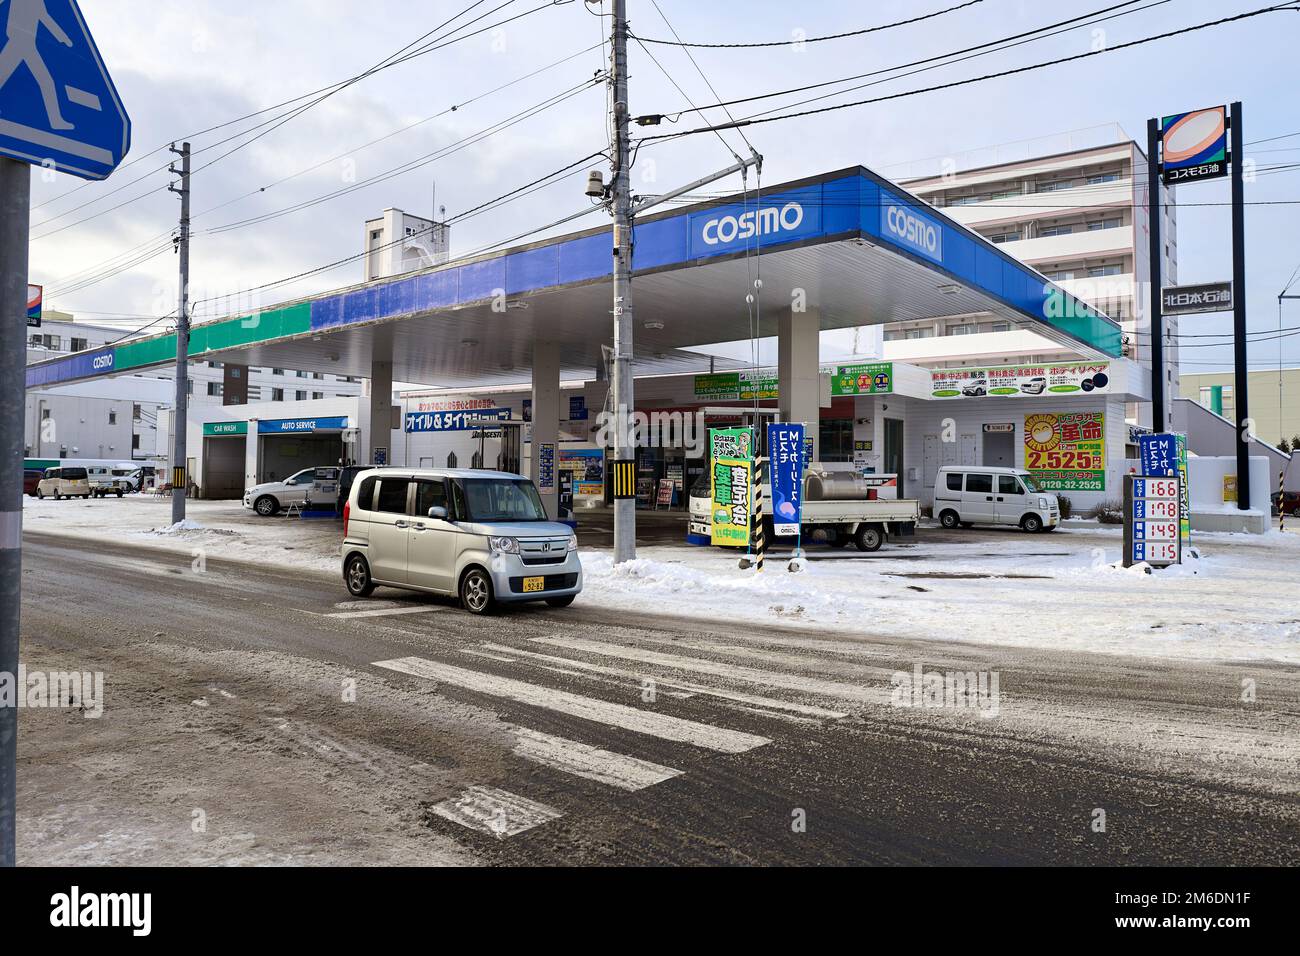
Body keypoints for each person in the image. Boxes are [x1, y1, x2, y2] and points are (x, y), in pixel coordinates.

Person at [0, 0, 77, 131]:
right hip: (17, 40)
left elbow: (45, 17)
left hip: (28, 43)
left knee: (46, 81)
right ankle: (56, 120)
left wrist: (63, 38)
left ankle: (56, 121)